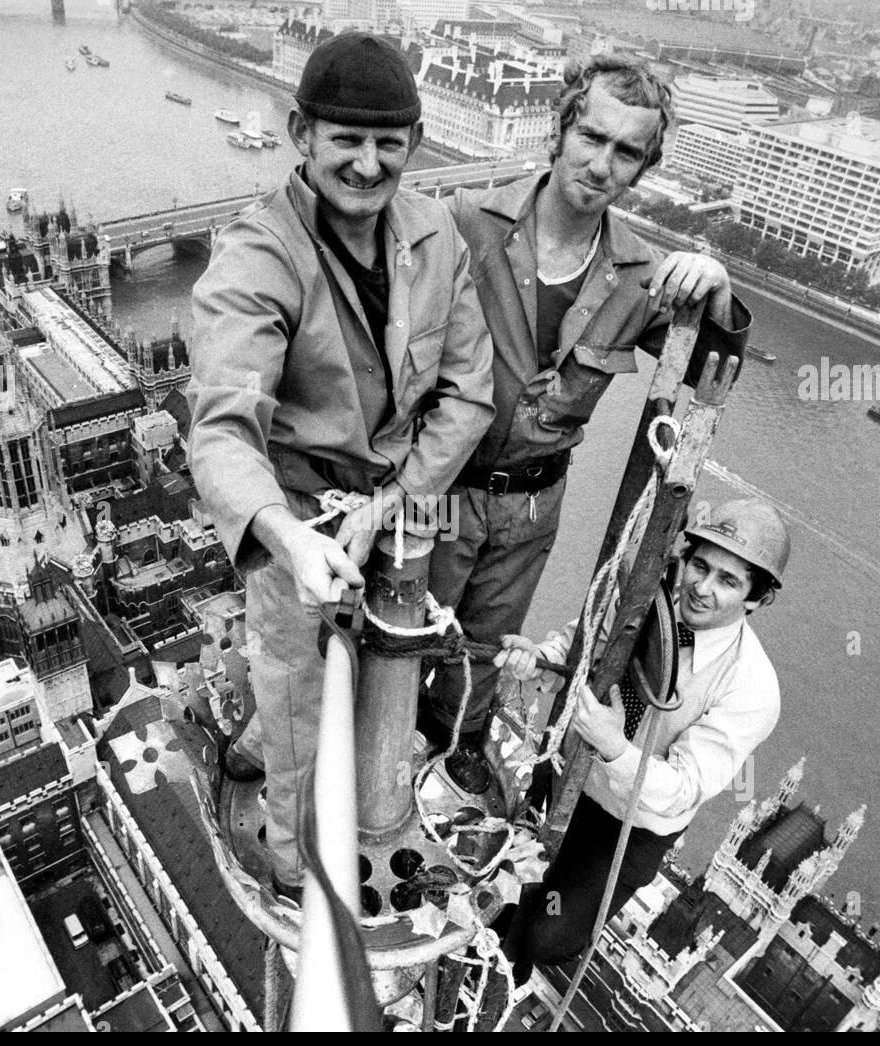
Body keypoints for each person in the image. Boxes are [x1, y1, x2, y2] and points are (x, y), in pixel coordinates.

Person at [186, 32, 495, 902]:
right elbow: (220, 427)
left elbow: (468, 396)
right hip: (305, 523)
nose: (367, 164)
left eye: (388, 143)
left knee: (392, 690)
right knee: (300, 721)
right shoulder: (257, 257)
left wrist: (395, 500)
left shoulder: (436, 235)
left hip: (408, 507)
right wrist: (287, 535)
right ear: (300, 134)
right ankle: (299, 877)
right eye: (346, 140)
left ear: (416, 143)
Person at [420, 54, 752, 794]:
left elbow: (706, 379)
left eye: (627, 151)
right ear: (561, 128)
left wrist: (721, 297)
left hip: (532, 503)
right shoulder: (465, 222)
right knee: (409, 626)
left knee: (480, 651)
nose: (602, 164)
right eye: (592, 137)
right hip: (441, 483)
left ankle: (453, 757)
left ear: (643, 167)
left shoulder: (642, 277)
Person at [496, 497, 790, 983]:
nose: (701, 588)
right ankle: (488, 950)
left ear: (756, 600)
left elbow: (683, 788)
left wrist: (614, 746)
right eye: (700, 566)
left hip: (629, 826)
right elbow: (581, 642)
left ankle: (509, 971)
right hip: (569, 769)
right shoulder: (644, 598)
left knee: (548, 935)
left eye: (728, 581)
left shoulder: (752, 688)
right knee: (503, 876)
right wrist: (541, 659)